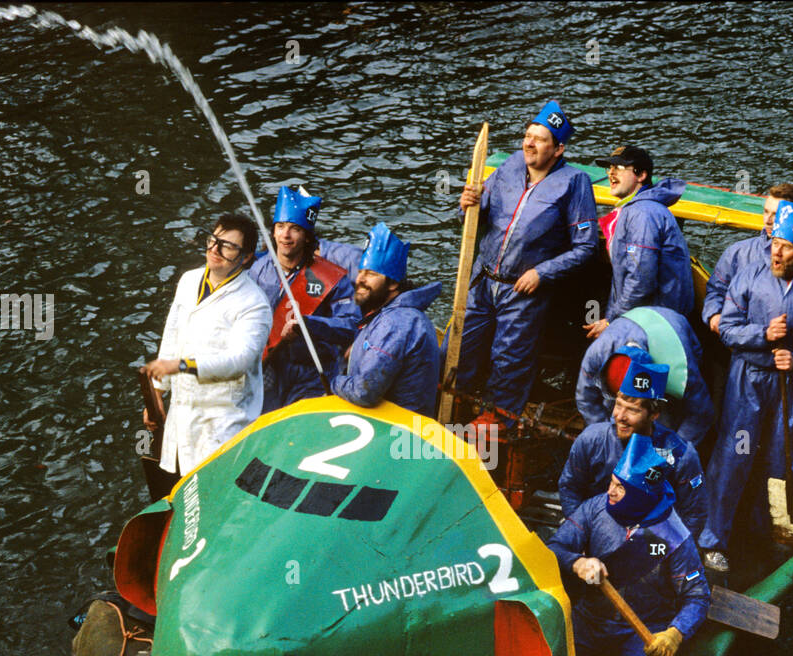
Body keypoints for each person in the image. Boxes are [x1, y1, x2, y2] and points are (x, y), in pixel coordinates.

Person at [697, 202, 793, 573]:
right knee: (733, 456)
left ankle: (783, 536)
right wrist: (763, 335)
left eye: (786, 247)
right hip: (748, 379)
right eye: (775, 242)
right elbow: (727, 328)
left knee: (786, 457)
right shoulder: (748, 275)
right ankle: (713, 542)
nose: (775, 251)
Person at [454, 100, 598, 421]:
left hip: (523, 293)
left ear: (558, 149)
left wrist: (541, 273)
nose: (529, 143)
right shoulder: (511, 165)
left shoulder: (575, 183)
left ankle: (494, 438)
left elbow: (586, 247)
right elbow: (480, 213)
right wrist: (467, 205)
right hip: (482, 280)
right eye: (527, 135)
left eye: (539, 138)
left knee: (509, 366)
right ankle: (450, 419)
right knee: (460, 352)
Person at [548, 434, 710, 656]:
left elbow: (698, 597)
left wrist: (674, 635)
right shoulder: (596, 507)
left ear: (639, 496)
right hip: (591, 618)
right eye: (612, 482)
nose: (610, 491)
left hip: (643, 626)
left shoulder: (675, 536)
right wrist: (578, 562)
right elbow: (554, 547)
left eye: (620, 488)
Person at [142, 214, 272, 477]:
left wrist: (180, 366)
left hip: (224, 419)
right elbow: (173, 333)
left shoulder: (254, 305)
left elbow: (239, 361)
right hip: (183, 410)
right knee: (177, 484)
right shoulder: (189, 280)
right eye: (213, 240)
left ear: (245, 257)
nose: (215, 250)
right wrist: (157, 390)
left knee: (213, 489)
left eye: (227, 246)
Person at [560, 357, 707, 540]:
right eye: (618, 405)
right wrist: (580, 533)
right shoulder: (591, 440)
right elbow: (570, 487)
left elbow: (694, 514)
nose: (619, 416)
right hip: (595, 534)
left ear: (654, 414)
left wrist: (665, 554)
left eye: (632, 410)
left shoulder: (679, 455)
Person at [249, 186, 360, 411]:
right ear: (272, 231)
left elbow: (350, 327)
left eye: (294, 229)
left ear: (307, 237)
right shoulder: (257, 271)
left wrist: (309, 325)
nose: (285, 235)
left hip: (313, 374)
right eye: (280, 227)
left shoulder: (332, 278)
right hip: (269, 370)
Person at [332, 222, 443, 417]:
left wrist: (335, 381)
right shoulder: (393, 313)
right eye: (361, 272)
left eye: (372, 274)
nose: (361, 280)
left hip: (400, 431)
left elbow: (363, 392)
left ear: (392, 284)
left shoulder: (396, 323)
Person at [701, 182, 793, 336]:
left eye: (776, 214)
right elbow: (716, 290)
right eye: (766, 212)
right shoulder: (738, 253)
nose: (768, 220)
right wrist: (714, 315)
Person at [584, 145, 693, 332]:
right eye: (609, 168)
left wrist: (612, 321)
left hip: (653, 323)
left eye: (618, 168)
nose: (611, 174)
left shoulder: (643, 214)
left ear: (641, 175)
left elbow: (641, 280)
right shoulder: (636, 208)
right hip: (645, 316)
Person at [576, 305, 715, 446]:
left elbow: (701, 413)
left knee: (664, 423)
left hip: (674, 329)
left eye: (632, 406)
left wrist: (669, 454)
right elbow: (585, 398)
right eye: (619, 401)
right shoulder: (599, 353)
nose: (622, 414)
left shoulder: (681, 370)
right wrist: (609, 441)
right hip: (630, 324)